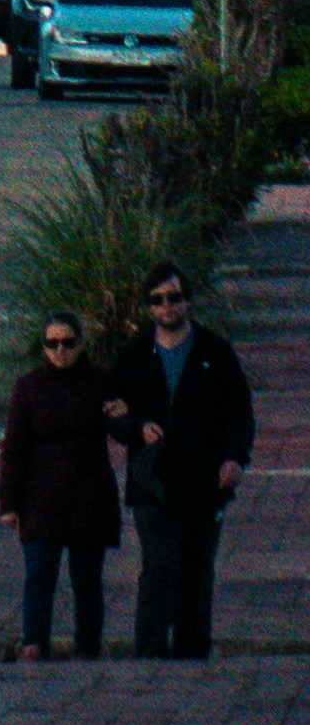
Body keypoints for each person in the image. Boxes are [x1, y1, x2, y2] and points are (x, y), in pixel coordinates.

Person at [112, 264, 257, 660]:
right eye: (157, 300)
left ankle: (192, 656)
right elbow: (113, 410)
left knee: (195, 571)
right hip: (152, 482)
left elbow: (239, 413)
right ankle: (150, 654)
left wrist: (233, 459)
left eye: (174, 297)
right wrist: (137, 428)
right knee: (158, 568)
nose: (167, 306)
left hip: (204, 483)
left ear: (188, 301)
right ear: (148, 306)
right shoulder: (135, 355)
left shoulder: (214, 352)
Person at [0, 307, 120, 656]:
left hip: (88, 494)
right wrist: (9, 504)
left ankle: (88, 648)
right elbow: (14, 447)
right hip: (41, 497)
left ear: (81, 344)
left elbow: (121, 425)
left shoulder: (100, 382)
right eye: (52, 343)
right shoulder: (29, 386)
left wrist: (127, 418)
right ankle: (34, 643)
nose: (60, 350)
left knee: (87, 580)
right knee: (39, 574)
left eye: (68, 342)